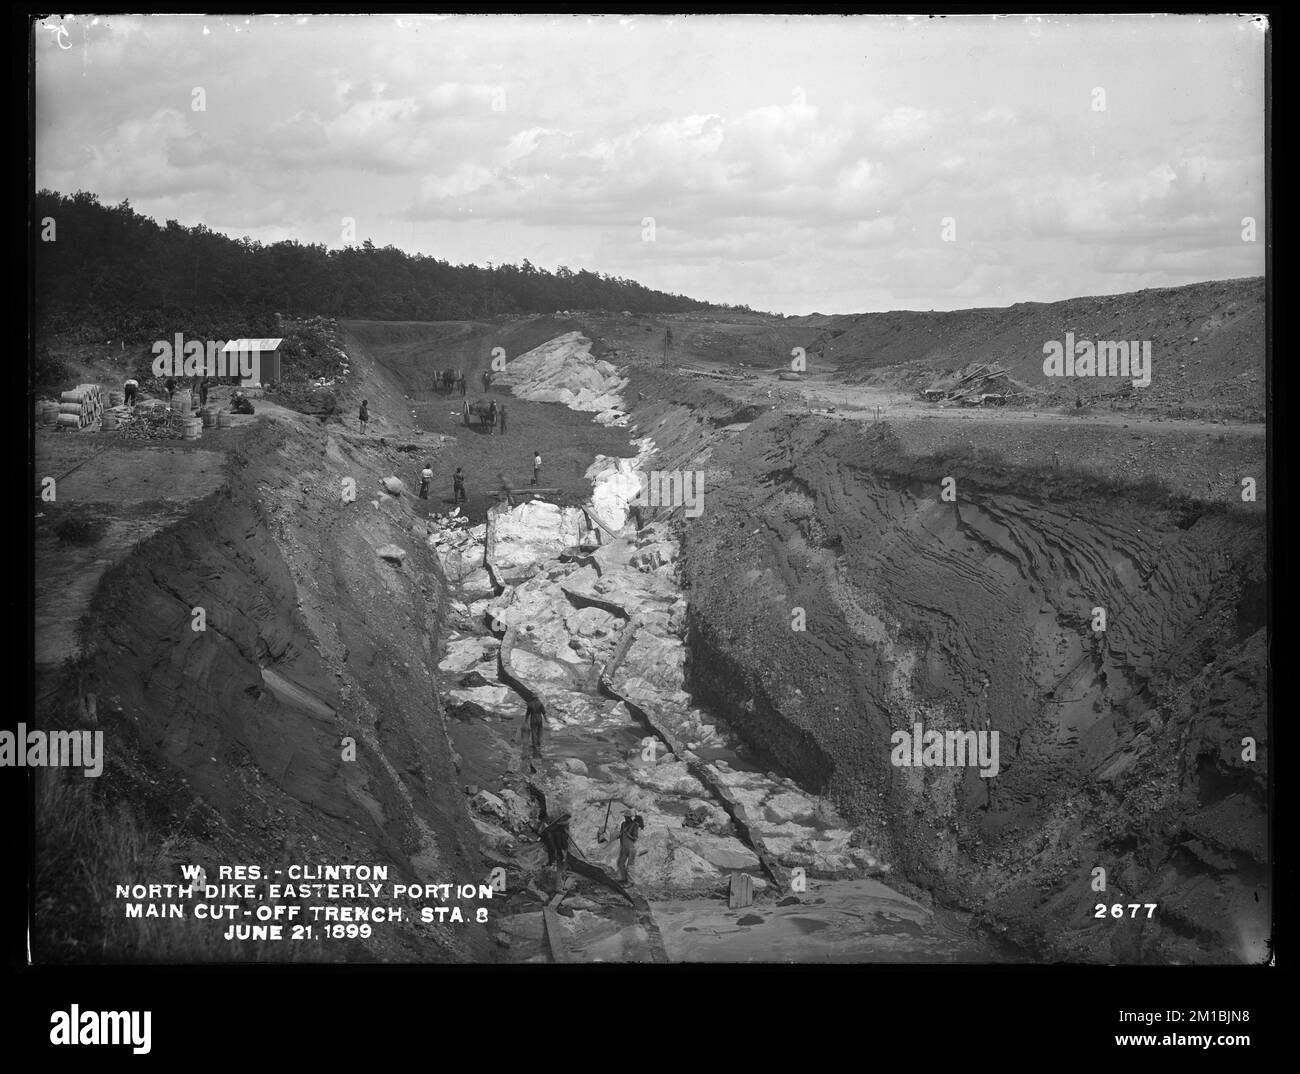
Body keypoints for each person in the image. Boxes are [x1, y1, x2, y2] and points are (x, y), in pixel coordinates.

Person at [617, 812, 645, 883]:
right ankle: (623, 878)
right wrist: (619, 835)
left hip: (631, 848)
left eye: (627, 817)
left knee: (630, 866)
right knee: (620, 863)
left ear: (630, 817)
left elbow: (635, 838)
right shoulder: (623, 824)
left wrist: (628, 834)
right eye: (625, 817)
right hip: (624, 847)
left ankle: (630, 882)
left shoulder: (634, 825)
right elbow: (621, 834)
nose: (626, 819)